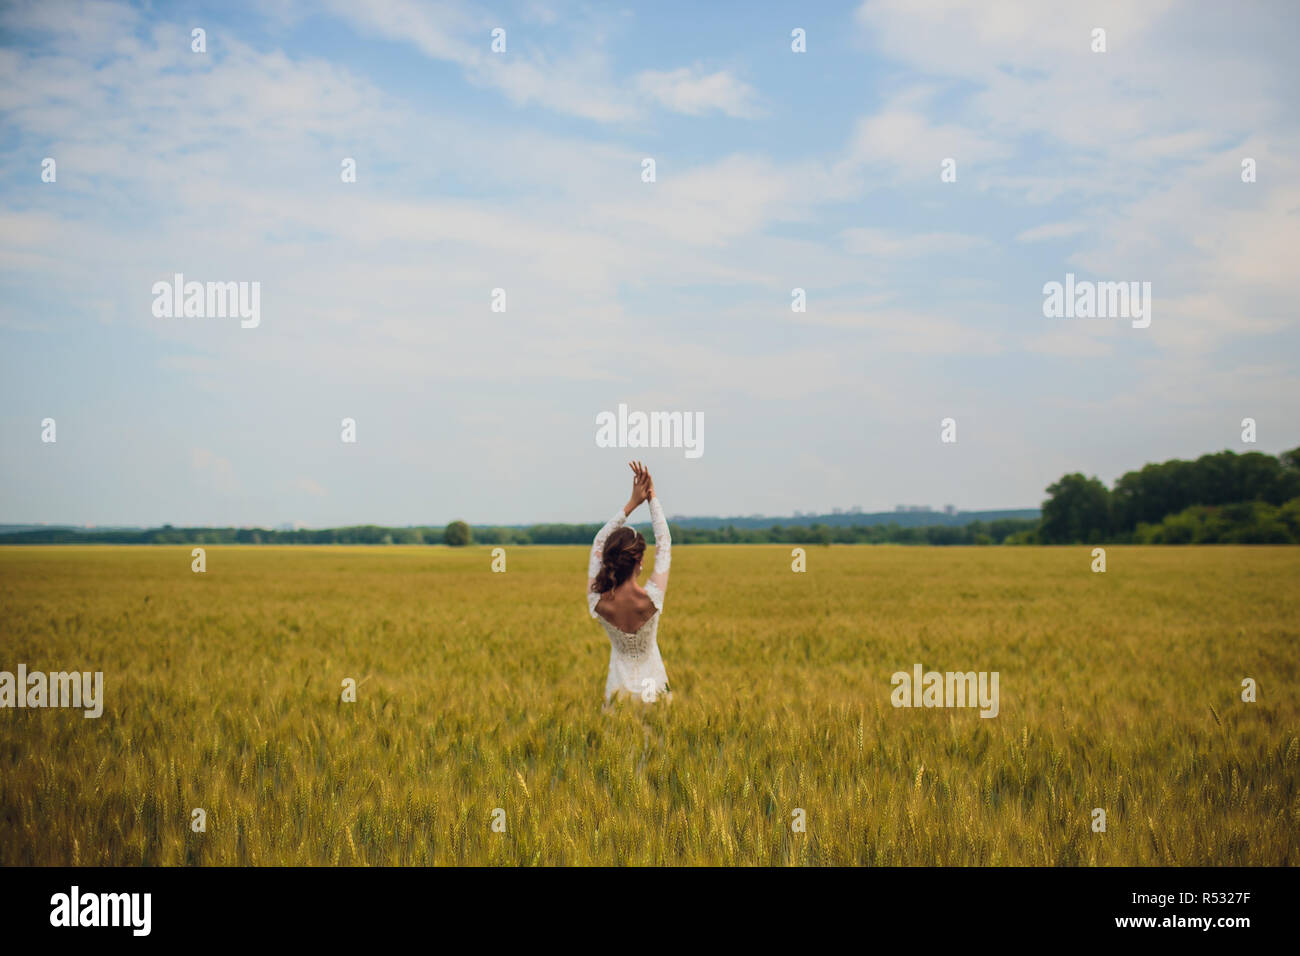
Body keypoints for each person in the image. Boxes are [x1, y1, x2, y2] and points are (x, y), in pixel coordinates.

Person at [587, 461, 672, 710]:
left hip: (618, 692)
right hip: (654, 690)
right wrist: (651, 497)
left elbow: (598, 540)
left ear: (608, 560)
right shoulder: (652, 600)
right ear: (640, 562)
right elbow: (664, 541)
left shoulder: (598, 601)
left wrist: (631, 503)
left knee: (618, 747)